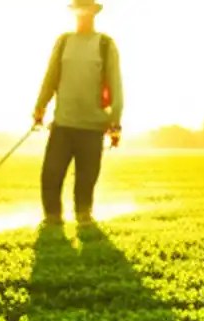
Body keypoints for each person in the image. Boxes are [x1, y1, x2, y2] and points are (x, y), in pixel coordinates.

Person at [33, 0, 124, 231]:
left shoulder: (105, 44)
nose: (83, 14)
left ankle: (84, 216)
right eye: (79, 10)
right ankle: (52, 218)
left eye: (87, 10)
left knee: (86, 178)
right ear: (74, 12)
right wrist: (40, 105)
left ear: (94, 12)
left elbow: (115, 85)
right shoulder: (64, 41)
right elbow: (51, 77)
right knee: (51, 174)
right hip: (63, 123)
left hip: (93, 126)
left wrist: (115, 122)